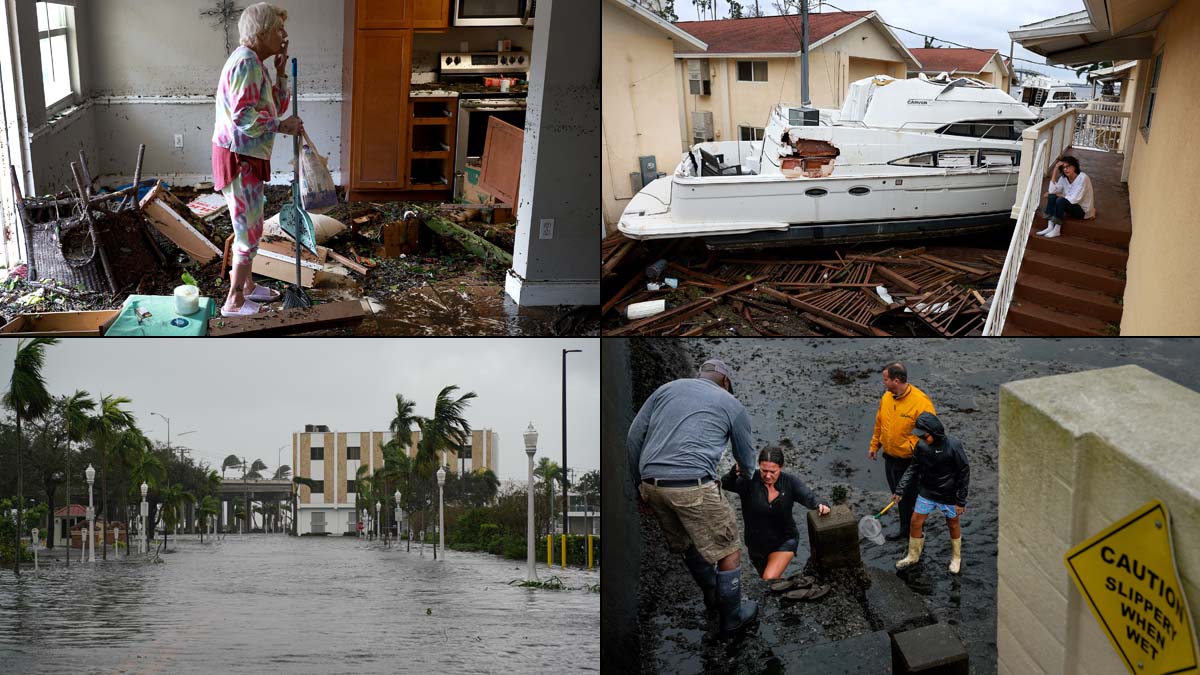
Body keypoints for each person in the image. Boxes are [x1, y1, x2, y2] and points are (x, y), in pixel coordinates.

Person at [628, 358, 759, 635]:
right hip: (693, 486)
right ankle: (732, 618)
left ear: (700, 376)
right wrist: (750, 481)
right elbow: (747, 460)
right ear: (726, 382)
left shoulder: (666, 389)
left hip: (653, 485)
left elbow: (633, 437)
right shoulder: (731, 404)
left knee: (687, 544)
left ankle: (712, 594)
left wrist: (639, 485)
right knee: (728, 548)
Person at [212, 2, 304, 317]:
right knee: (247, 233)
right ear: (262, 32)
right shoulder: (246, 63)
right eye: (279, 29)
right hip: (240, 158)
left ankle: (248, 288)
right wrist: (282, 126)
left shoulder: (255, 63)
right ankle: (234, 301)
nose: (285, 35)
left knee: (252, 229)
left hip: (248, 156)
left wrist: (280, 76)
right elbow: (243, 117)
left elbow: (272, 109)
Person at [720, 447, 830, 580]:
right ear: (759, 466)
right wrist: (733, 473)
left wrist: (820, 504)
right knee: (768, 584)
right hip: (756, 546)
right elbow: (724, 484)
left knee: (769, 578)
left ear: (781, 467)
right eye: (764, 470)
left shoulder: (789, 482)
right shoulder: (748, 481)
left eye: (773, 471)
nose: (767, 476)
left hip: (784, 541)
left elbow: (809, 496)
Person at [892, 412, 970, 574]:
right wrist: (900, 489)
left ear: (935, 432)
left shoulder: (953, 445)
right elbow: (913, 467)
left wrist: (960, 500)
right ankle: (913, 555)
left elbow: (964, 471)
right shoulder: (921, 446)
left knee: (952, 523)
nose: (922, 439)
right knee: (915, 521)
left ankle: (956, 558)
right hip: (927, 491)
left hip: (948, 494)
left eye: (925, 436)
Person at [869, 362, 936, 538]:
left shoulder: (921, 403)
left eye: (886, 379)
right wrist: (875, 445)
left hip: (910, 462)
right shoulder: (886, 397)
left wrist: (912, 449)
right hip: (890, 459)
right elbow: (879, 423)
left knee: (911, 499)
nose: (883, 383)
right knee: (897, 497)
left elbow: (931, 435)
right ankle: (905, 530)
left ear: (896, 381)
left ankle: (917, 535)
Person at [1036, 155, 1095, 239]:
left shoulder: (1083, 178)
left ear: (1074, 166)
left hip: (1081, 211)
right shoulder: (1064, 178)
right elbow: (1052, 190)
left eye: (1068, 166)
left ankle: (1057, 229)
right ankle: (1050, 226)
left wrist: (1058, 195)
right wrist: (1055, 169)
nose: (1065, 169)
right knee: (1052, 196)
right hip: (1070, 206)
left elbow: (1074, 199)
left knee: (1060, 200)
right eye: (1063, 168)